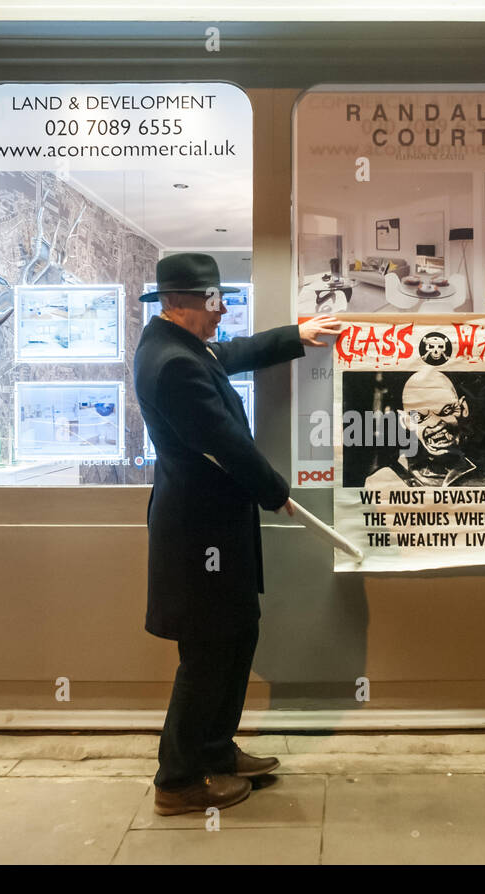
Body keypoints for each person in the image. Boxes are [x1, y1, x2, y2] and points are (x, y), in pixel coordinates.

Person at [134, 252, 341, 815]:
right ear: (183, 303)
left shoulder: (179, 346)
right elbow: (227, 444)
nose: (222, 311)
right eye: (214, 302)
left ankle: (214, 751)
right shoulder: (172, 364)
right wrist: (276, 492)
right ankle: (177, 781)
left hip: (215, 528)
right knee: (208, 650)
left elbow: (230, 353)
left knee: (238, 632)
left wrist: (297, 334)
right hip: (200, 534)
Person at [364, 368, 485, 489]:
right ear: (405, 421)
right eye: (419, 417)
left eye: (446, 410)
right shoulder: (383, 482)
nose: (435, 424)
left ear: (463, 408)